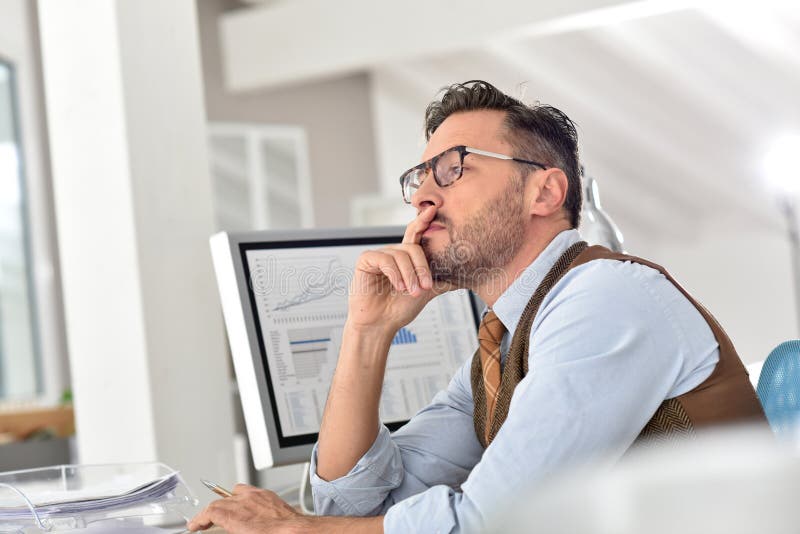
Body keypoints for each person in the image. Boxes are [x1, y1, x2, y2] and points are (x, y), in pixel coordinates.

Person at [188, 80, 765, 533]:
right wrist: (367, 332)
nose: (421, 196)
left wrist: (292, 530)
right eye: (418, 177)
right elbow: (356, 501)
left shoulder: (605, 299)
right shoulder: (505, 344)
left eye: (453, 167)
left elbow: (492, 523)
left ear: (545, 191)